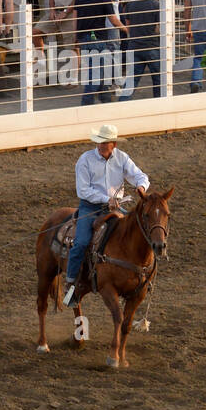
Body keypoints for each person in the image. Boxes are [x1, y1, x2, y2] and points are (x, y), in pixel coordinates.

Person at [62, 125, 151, 307]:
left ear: (114, 144)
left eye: (105, 142)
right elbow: (83, 190)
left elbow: (140, 176)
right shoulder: (85, 160)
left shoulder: (122, 158)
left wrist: (141, 186)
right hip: (91, 207)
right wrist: (106, 198)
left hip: (115, 207)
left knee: (138, 233)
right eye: (99, 142)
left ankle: (140, 278)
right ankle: (71, 283)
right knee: (80, 243)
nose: (101, 146)